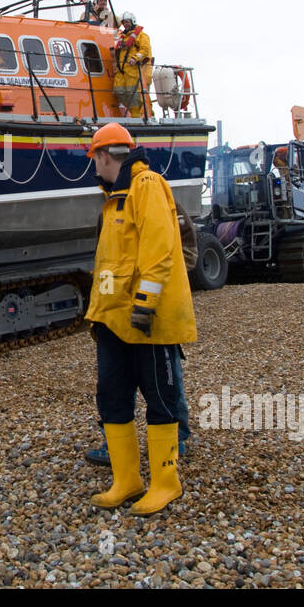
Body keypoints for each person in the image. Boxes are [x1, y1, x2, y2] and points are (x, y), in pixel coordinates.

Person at [85, 123, 198, 515]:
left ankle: (166, 483)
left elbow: (160, 249)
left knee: (160, 399)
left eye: (94, 160)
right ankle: (127, 480)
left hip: (145, 319)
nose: (94, 169)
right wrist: (98, 315)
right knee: (112, 397)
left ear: (103, 156)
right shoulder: (114, 197)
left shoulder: (146, 185)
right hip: (114, 320)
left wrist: (145, 304)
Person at [84, 194, 197, 466]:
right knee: (114, 385)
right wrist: (107, 304)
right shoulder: (108, 211)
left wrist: (154, 293)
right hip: (118, 316)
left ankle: (175, 439)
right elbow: (106, 263)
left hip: (153, 315)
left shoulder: (162, 203)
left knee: (164, 382)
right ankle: (116, 445)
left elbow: (185, 253)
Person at [112, 12, 153, 118]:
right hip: (121, 69)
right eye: (124, 22)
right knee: (119, 91)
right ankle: (133, 113)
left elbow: (145, 49)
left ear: (132, 21)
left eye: (127, 22)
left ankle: (137, 116)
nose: (126, 24)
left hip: (132, 69)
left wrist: (135, 58)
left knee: (134, 94)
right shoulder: (122, 37)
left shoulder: (141, 36)